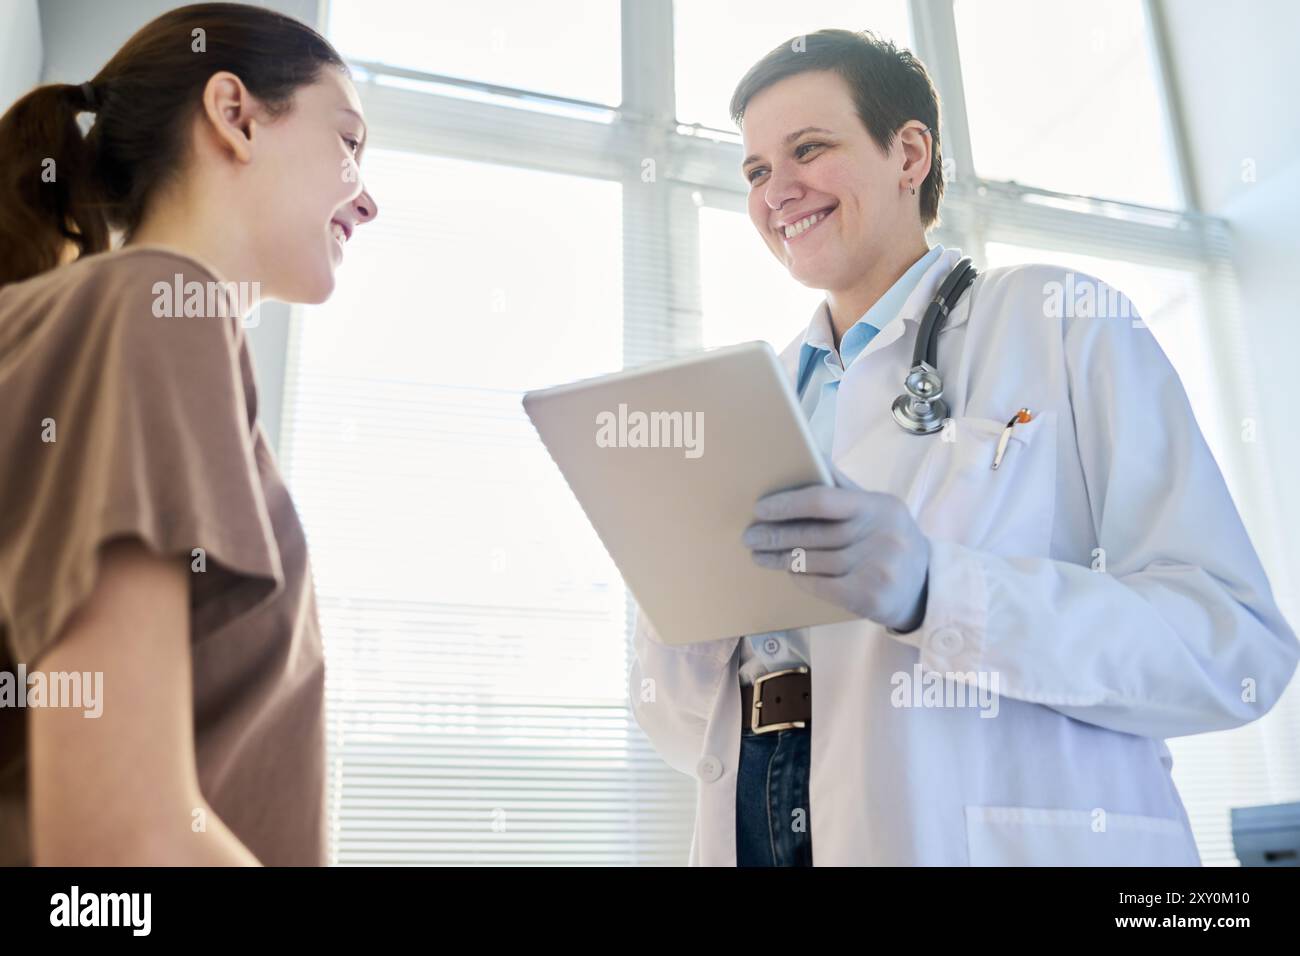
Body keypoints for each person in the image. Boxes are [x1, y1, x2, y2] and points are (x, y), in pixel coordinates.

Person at [629, 29, 1298, 866]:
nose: (778, 191)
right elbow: (680, 725)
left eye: (808, 149)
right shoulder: (754, 406)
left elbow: (1233, 645)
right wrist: (680, 620)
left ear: (909, 153)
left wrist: (937, 592)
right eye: (757, 171)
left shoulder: (1062, 321)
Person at [0, 2, 377, 865]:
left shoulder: (105, 321)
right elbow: (119, 842)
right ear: (234, 116)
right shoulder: (157, 309)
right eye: (349, 142)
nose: (370, 199)